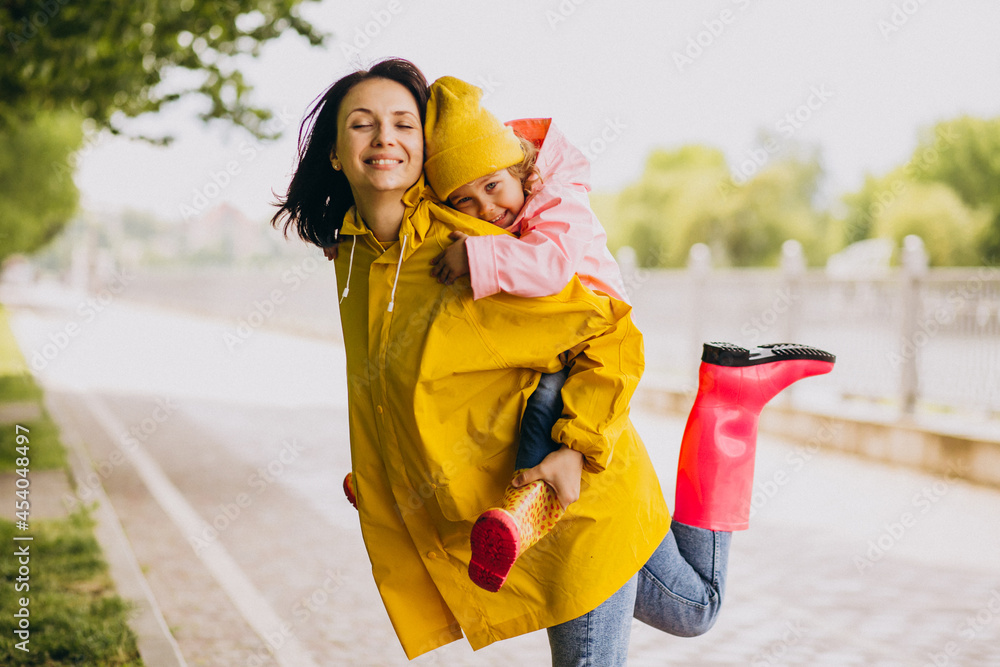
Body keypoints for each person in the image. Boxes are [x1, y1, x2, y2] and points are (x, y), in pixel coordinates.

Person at [271, 58, 835, 666]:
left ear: (423, 146)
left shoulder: (468, 252)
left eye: (403, 124)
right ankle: (730, 402)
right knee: (696, 608)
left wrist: (577, 446)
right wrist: (386, 471)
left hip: (575, 496)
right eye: (362, 124)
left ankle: (728, 403)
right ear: (334, 150)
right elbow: (395, 387)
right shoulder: (357, 259)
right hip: (521, 505)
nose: (385, 138)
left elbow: (612, 332)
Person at [419, 75, 635, 593]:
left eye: (492, 187)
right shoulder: (507, 206)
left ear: (519, 168)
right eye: (464, 202)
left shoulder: (560, 201)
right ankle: (410, 477)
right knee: (476, 389)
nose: (486, 210)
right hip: (552, 330)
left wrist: (475, 252)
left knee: (544, 406)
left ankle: (522, 512)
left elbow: (552, 267)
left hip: (595, 328)